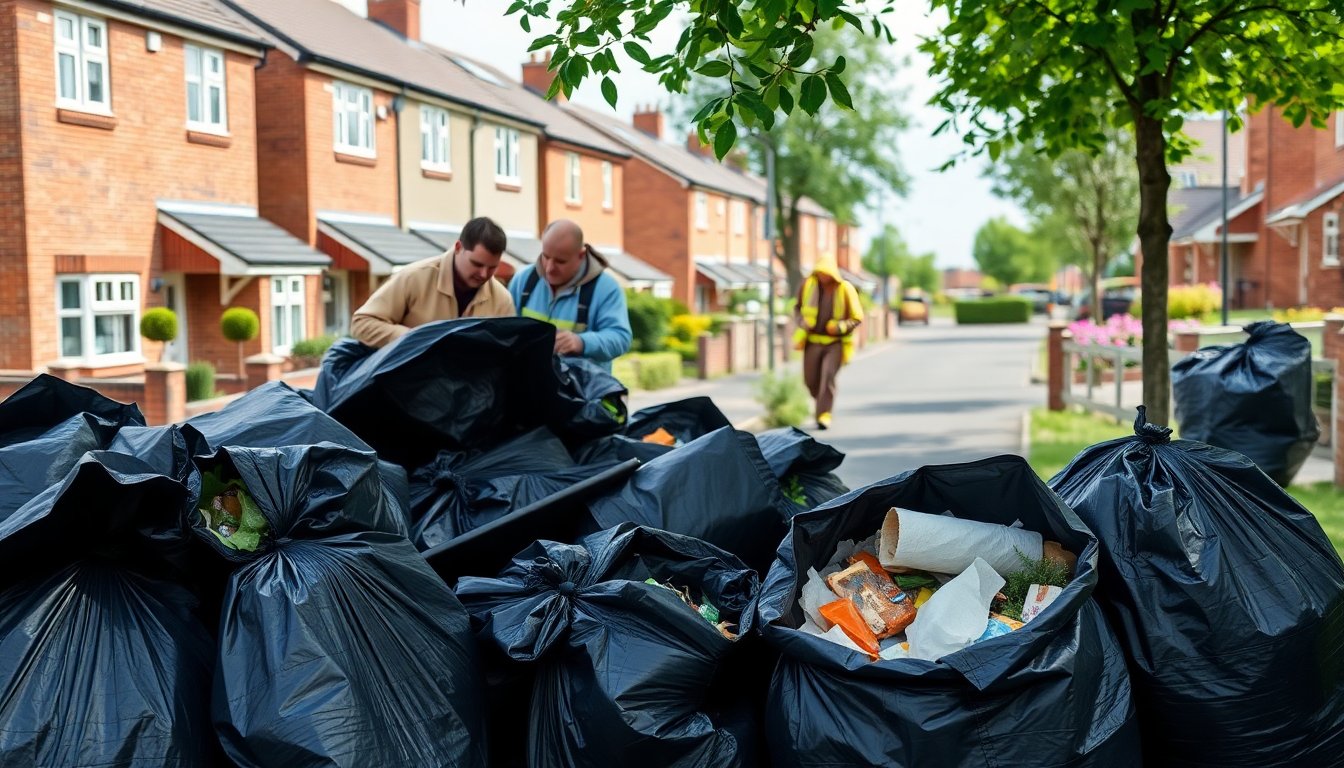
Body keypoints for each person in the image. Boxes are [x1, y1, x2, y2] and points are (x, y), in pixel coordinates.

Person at [349, 216, 515, 348]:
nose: (484, 274)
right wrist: (415, 339)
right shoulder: (414, 278)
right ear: (458, 248)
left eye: (492, 267)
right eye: (476, 264)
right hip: (408, 387)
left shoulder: (502, 300)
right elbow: (361, 324)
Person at [510, 219, 632, 371]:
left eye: (560, 261)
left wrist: (581, 342)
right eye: (546, 256)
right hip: (527, 389)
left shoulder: (606, 288)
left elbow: (621, 338)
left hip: (581, 393)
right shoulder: (522, 279)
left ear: (581, 255)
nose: (549, 268)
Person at [793, 257, 863, 430]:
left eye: (826, 273)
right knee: (810, 380)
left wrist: (840, 328)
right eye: (820, 273)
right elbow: (797, 308)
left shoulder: (845, 288)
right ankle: (821, 403)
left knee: (828, 377)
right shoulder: (807, 285)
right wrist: (802, 323)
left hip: (835, 344)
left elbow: (857, 317)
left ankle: (824, 414)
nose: (823, 276)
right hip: (812, 342)